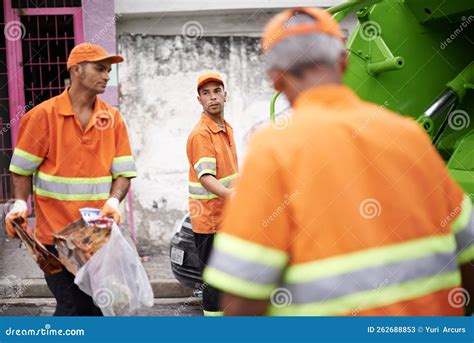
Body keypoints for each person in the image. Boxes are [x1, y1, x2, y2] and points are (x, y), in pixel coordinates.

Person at [204, 8, 474, 316]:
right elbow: (468, 257)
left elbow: (243, 298)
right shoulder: (410, 136)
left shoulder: (273, 148)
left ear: (276, 79)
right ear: (343, 62)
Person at [4, 43, 137, 316]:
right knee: (72, 307)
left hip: (95, 236)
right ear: (76, 69)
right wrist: (20, 203)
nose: (107, 75)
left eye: (109, 70)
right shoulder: (42, 117)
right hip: (53, 241)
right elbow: (21, 170)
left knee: (97, 308)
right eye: (100, 68)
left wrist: (114, 200)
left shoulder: (112, 119)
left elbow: (123, 173)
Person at [186, 73, 238, 316]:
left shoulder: (226, 129)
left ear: (225, 95)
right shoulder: (201, 134)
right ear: (199, 100)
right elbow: (206, 178)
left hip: (226, 217)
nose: (212, 97)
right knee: (213, 282)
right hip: (210, 222)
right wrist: (231, 195)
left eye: (217, 91)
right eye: (206, 93)